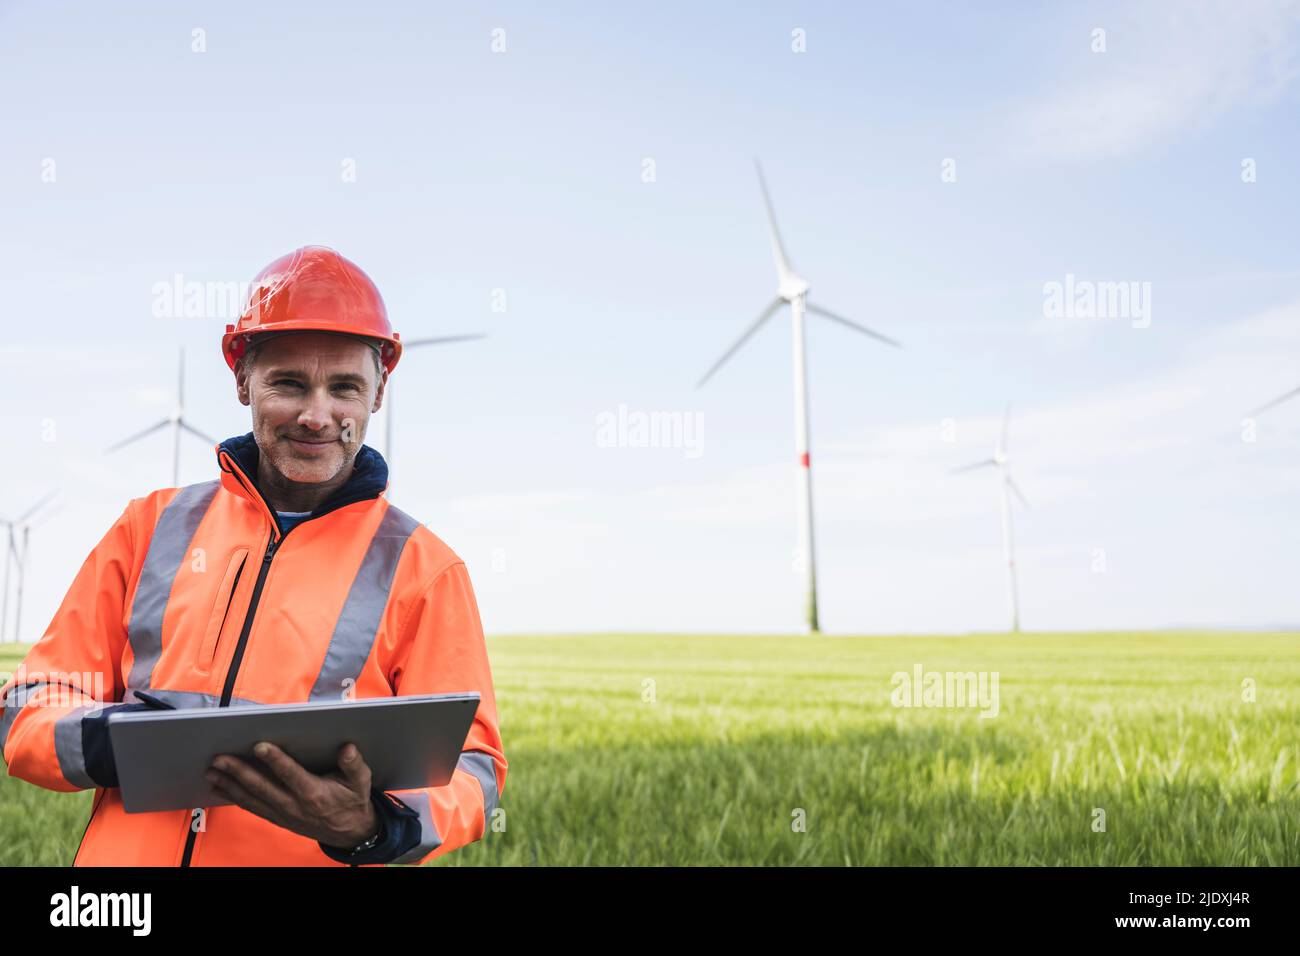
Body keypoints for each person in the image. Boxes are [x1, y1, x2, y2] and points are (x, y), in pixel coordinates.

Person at [0, 245, 506, 866]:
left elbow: (473, 772)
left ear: (379, 392)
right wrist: (113, 742)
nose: (317, 416)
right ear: (242, 380)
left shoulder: (426, 569)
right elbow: (30, 704)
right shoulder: (148, 528)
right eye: (289, 383)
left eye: (344, 387)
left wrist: (375, 824)